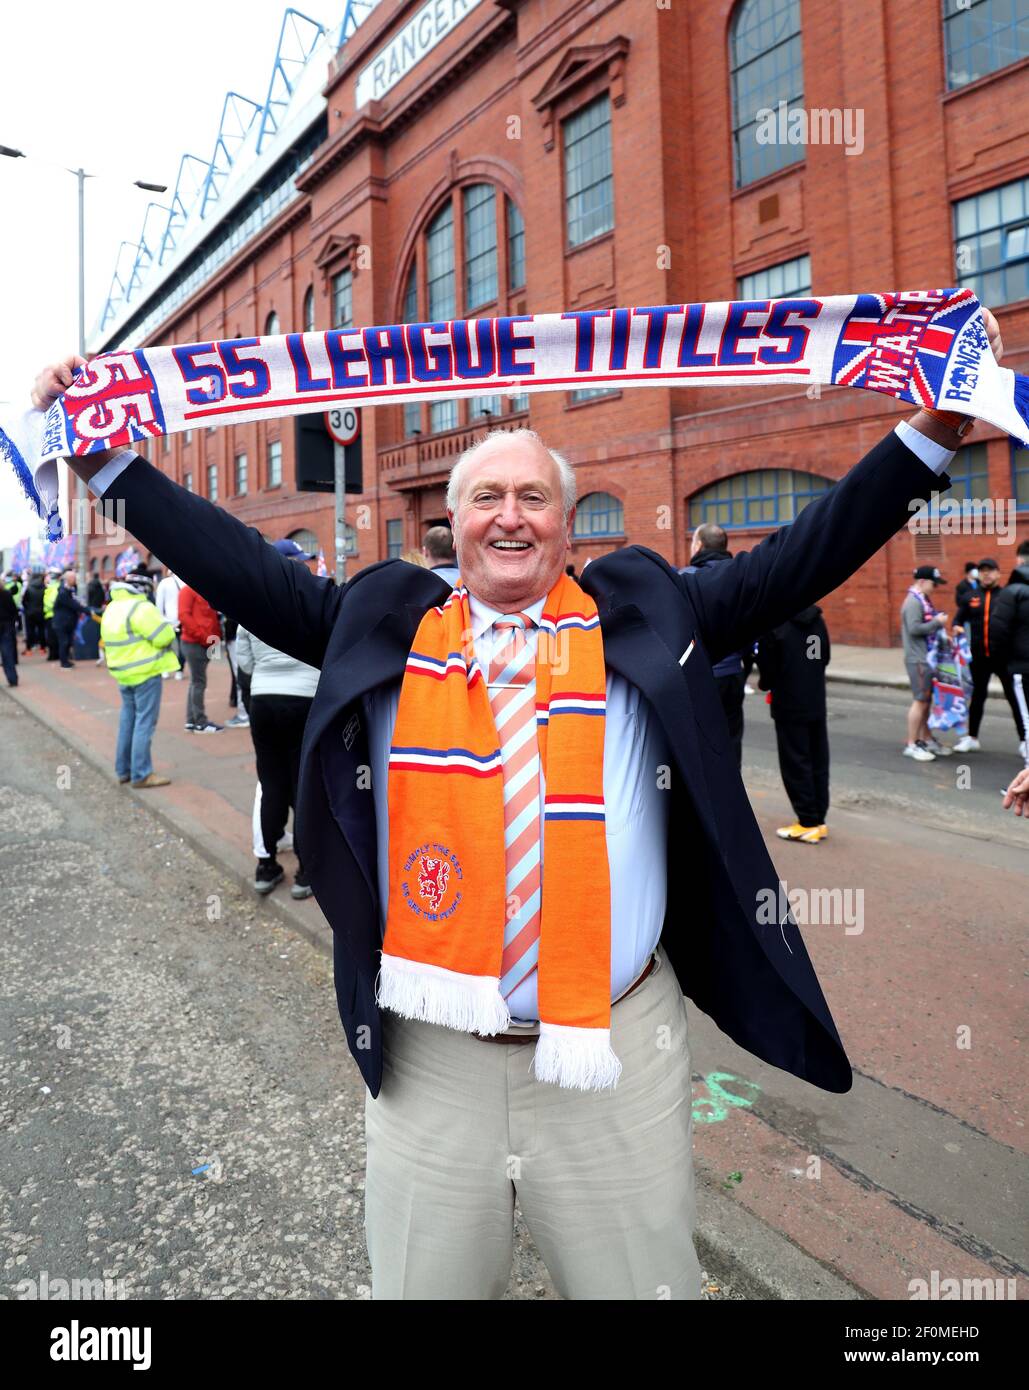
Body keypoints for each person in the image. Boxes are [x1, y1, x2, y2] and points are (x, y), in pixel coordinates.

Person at [34, 309, 1002, 1301]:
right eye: (486, 496)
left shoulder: (648, 609)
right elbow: (233, 558)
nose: (510, 515)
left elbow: (810, 549)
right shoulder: (387, 621)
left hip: (615, 1049)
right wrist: (110, 459)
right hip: (433, 1060)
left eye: (533, 496)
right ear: (453, 524)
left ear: (566, 523)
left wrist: (931, 434)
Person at [236, 542, 320, 899]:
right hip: (304, 699)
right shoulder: (312, 600)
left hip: (264, 699)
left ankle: (266, 863)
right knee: (304, 787)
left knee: (271, 784)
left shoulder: (252, 603)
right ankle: (306, 871)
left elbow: (244, 660)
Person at [756, 604, 831, 843]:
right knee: (818, 759)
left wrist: (768, 684)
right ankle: (818, 818)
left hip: (789, 700)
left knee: (795, 762)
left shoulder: (776, 623)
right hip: (815, 699)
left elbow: (767, 666)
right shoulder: (817, 620)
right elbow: (824, 657)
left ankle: (807, 821)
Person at [100, 566, 179, 788]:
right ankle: (142, 774)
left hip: (122, 673)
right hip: (145, 672)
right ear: (143, 587)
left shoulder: (112, 608)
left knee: (128, 721)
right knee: (144, 723)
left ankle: (123, 770)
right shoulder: (142, 608)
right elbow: (163, 636)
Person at [681, 524, 747, 768]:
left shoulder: (686, 577)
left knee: (702, 742)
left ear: (698, 546)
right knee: (732, 739)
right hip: (733, 674)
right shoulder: (739, 575)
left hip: (701, 675)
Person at [952, 557, 1025, 752]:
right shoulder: (971, 596)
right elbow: (958, 620)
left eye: (990, 570)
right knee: (977, 698)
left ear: (998, 573)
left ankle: (1024, 741)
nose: (986, 574)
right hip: (979, 658)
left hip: (1004, 658)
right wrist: (957, 627)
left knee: (1015, 698)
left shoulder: (1007, 596)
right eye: (982, 570)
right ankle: (972, 737)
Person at [901, 565, 952, 761]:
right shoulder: (913, 603)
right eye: (934, 584)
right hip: (918, 659)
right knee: (920, 701)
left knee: (926, 701)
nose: (936, 587)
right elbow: (914, 629)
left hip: (925, 657)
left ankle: (927, 739)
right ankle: (912, 744)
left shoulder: (922, 600)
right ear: (922, 582)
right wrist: (937, 622)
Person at [988, 539, 1029, 767]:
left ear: (1019, 560)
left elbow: (998, 631)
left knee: (1028, 721)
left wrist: (1002, 663)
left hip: (1022, 668)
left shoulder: (1012, 592)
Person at [178, 580, 223, 733]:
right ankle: (199, 722)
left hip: (208, 641)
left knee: (196, 682)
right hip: (197, 642)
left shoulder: (203, 589)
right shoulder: (188, 590)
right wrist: (203, 636)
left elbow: (211, 618)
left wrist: (213, 639)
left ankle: (192, 720)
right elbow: (184, 615)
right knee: (199, 682)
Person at [51, 569, 86, 669]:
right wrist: (86, 610)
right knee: (64, 642)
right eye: (74, 578)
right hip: (62, 622)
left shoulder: (71, 589)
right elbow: (73, 604)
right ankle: (64, 662)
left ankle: (66, 660)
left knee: (68, 642)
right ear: (69, 579)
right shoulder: (63, 591)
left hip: (68, 621)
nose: (75, 580)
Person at [154, 568, 185, 682]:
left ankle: (165, 671)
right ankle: (179, 671)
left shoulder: (164, 583)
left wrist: (159, 618)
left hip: (166, 620)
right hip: (182, 620)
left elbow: (159, 604)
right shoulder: (186, 583)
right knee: (182, 647)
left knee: (165, 646)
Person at [21, 569, 46, 653]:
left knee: (30, 631)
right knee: (41, 630)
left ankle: (29, 649)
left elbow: (24, 601)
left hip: (30, 613)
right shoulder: (44, 588)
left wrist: (27, 608)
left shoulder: (28, 588)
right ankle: (42, 648)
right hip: (41, 612)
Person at [0, 581, 18, 686]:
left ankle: (12, 678)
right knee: (7, 653)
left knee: (7, 653)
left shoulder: (6, 594)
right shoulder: (6, 594)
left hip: (6, 626)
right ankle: (12, 678)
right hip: (6, 626)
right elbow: (13, 611)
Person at [42, 569, 61, 660]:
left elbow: (52, 603)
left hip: (52, 615)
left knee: (52, 637)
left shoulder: (54, 588)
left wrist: (47, 606)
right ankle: (54, 654)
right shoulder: (52, 587)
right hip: (51, 615)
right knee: (53, 637)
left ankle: (54, 655)